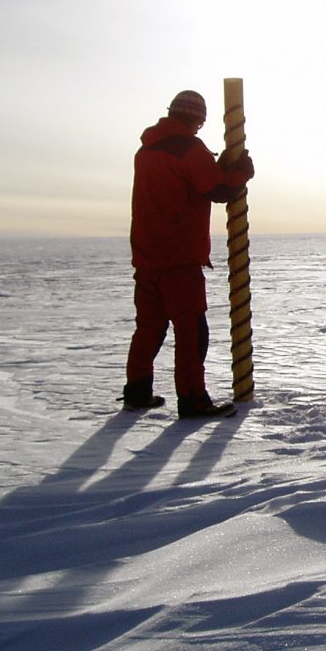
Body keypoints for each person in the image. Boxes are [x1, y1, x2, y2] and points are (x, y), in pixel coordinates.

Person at [122, 89, 254, 418]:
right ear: (196, 118)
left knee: (149, 327)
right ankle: (193, 398)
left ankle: (137, 391)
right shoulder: (190, 149)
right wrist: (240, 173)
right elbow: (217, 189)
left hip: (147, 255)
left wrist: (219, 167)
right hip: (179, 257)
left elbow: (190, 183)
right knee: (191, 329)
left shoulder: (147, 149)